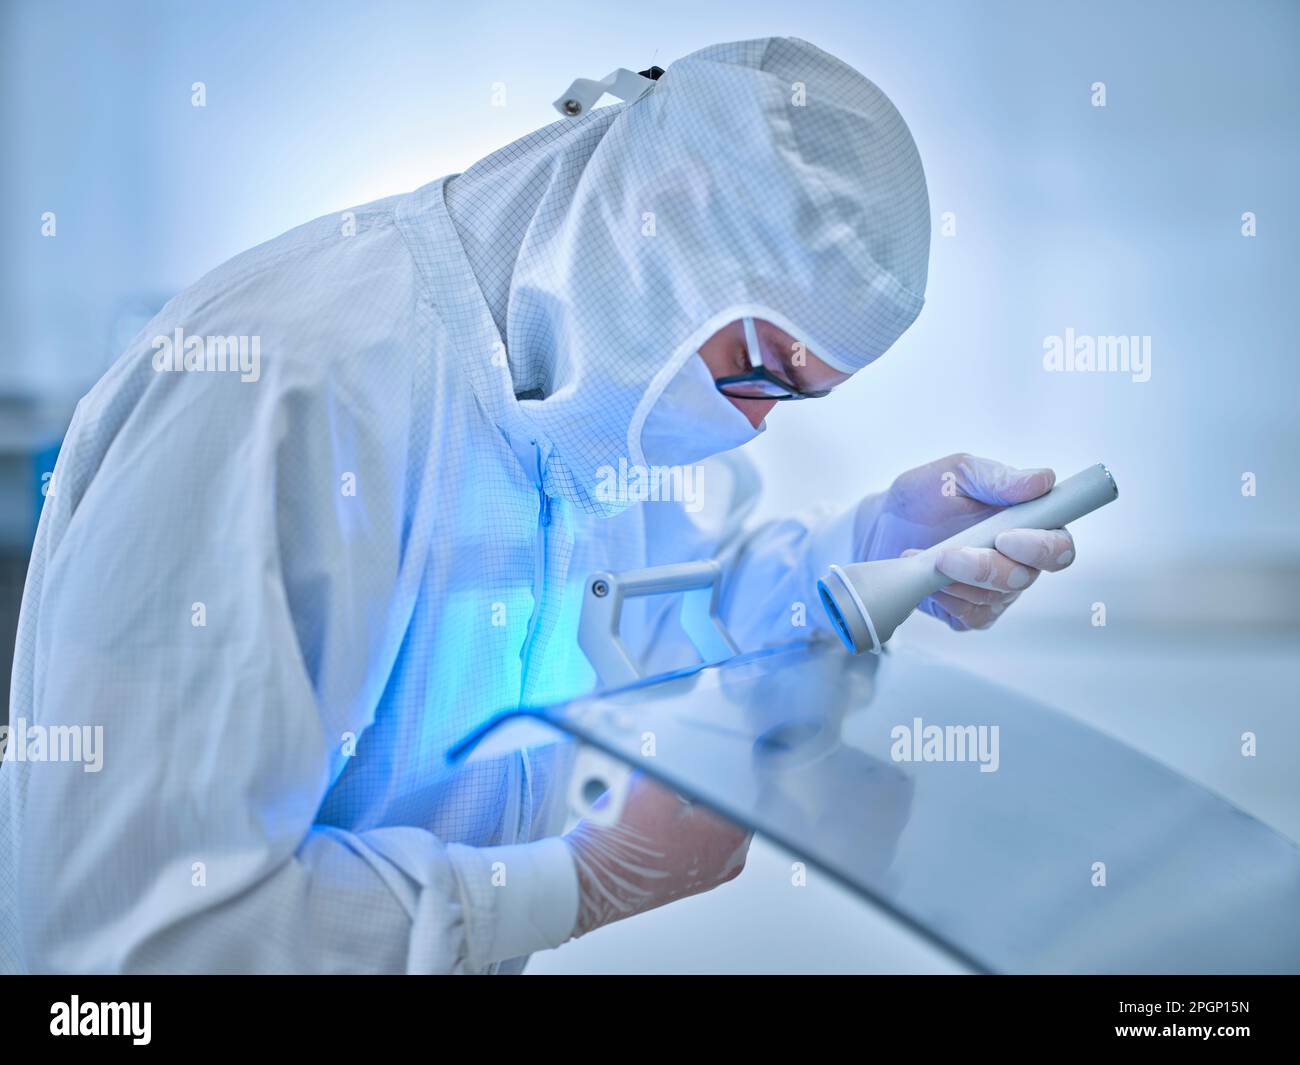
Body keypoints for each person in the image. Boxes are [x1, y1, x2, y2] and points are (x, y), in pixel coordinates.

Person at [0, 36, 1076, 974]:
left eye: (794, 400)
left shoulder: (592, 377)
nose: (753, 427)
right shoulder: (278, 390)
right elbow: (129, 954)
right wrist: (573, 888)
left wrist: (870, 559)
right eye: (761, 373)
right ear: (668, 220)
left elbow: (660, 625)